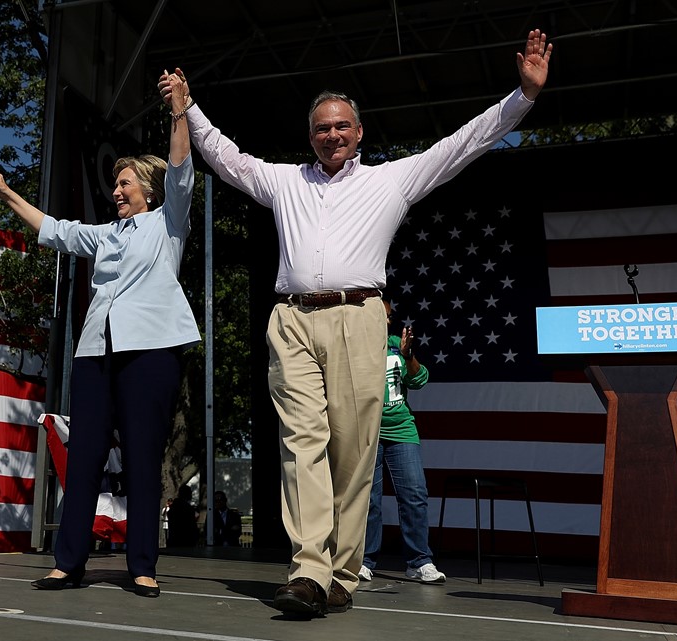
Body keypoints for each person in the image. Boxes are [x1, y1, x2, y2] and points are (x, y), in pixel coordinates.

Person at [159, 30, 552, 616]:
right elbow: (227, 156)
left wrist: (522, 95)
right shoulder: (285, 182)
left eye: (341, 126)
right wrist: (187, 107)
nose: (332, 135)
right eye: (321, 128)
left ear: (359, 133)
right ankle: (309, 571)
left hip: (361, 318)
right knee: (302, 445)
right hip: (292, 320)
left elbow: (462, 144)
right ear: (309, 136)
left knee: (353, 451)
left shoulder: (389, 180)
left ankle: (343, 572)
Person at [0, 71, 198, 598]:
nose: (117, 190)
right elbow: (53, 229)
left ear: (147, 190)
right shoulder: (103, 235)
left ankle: (142, 566)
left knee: (144, 459)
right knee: (83, 459)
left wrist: (179, 109)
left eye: (125, 183)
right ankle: (68, 563)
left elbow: (181, 169)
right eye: (116, 183)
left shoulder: (168, 222)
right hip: (94, 353)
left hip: (150, 352)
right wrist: (8, 194)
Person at [359, 301, 445, 584]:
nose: (387, 321)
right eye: (382, 316)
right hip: (367, 432)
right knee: (368, 501)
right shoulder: (354, 346)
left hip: (401, 431)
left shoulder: (397, 344)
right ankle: (364, 560)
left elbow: (420, 380)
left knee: (414, 495)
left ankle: (419, 561)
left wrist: (408, 356)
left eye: (389, 317)